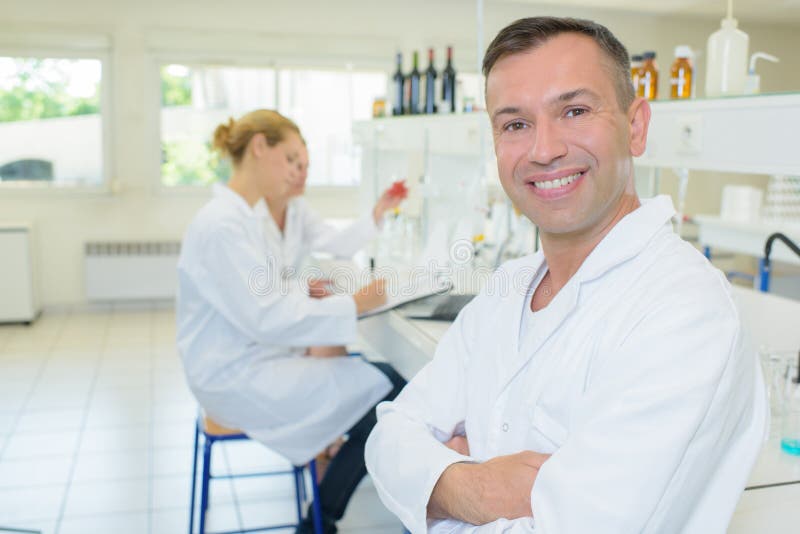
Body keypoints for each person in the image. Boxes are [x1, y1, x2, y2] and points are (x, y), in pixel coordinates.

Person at [365, 17, 767, 534]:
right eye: (515, 124)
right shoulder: (508, 287)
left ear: (636, 126)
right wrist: (478, 487)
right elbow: (388, 439)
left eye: (574, 111)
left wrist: (435, 488)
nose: (544, 149)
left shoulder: (685, 313)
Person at [176, 109, 406, 534]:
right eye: (290, 159)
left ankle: (324, 504)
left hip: (254, 357)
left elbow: (259, 297)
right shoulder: (224, 225)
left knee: (385, 387)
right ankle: (320, 521)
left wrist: (303, 291)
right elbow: (266, 315)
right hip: (236, 375)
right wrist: (355, 303)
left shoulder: (242, 217)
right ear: (259, 148)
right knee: (391, 397)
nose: (297, 172)